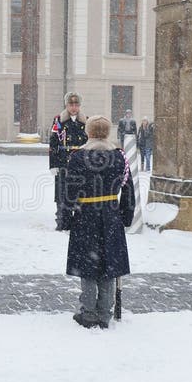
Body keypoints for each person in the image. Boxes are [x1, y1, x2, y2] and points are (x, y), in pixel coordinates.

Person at [61, 115, 136, 329]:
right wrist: (125, 216)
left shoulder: (77, 157)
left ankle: (89, 312)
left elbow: (69, 191)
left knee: (88, 265)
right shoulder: (120, 157)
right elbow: (128, 190)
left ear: (89, 132)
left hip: (86, 215)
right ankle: (105, 311)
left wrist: (67, 218)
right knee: (108, 264)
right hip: (111, 215)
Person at [49, 92, 88, 231]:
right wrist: (53, 164)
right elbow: (53, 143)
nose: (74, 107)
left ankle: (79, 222)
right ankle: (62, 221)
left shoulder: (86, 121)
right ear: (66, 105)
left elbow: (89, 143)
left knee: (80, 193)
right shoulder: (59, 121)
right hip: (63, 162)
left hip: (80, 163)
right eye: (71, 104)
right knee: (62, 194)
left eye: (76, 104)